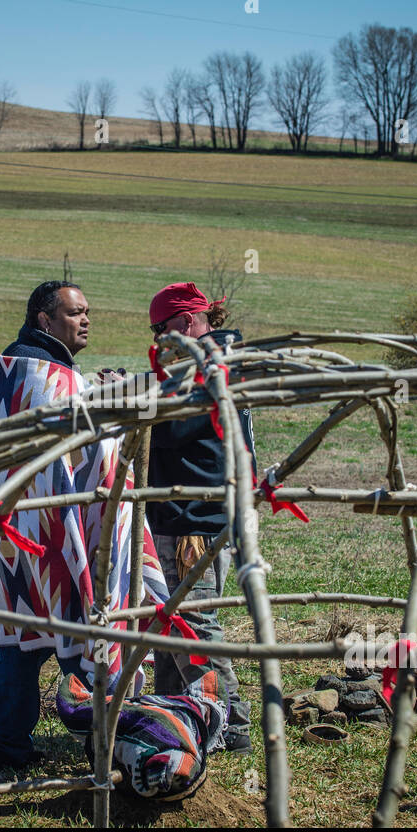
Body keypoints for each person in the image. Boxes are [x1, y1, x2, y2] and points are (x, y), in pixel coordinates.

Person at [0, 280, 91, 770]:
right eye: (75, 312)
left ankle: (10, 745)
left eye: (88, 312)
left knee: (26, 639)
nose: (85, 320)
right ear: (46, 320)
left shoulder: (32, 364)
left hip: (19, 530)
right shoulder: (36, 369)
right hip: (44, 529)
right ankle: (101, 740)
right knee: (75, 632)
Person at [146, 281, 255, 754]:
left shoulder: (208, 367)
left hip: (193, 519)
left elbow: (172, 429)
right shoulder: (212, 361)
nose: (156, 339)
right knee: (172, 621)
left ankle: (232, 725)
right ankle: (174, 711)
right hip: (196, 513)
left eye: (161, 328)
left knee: (194, 624)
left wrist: (136, 397)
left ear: (186, 323)